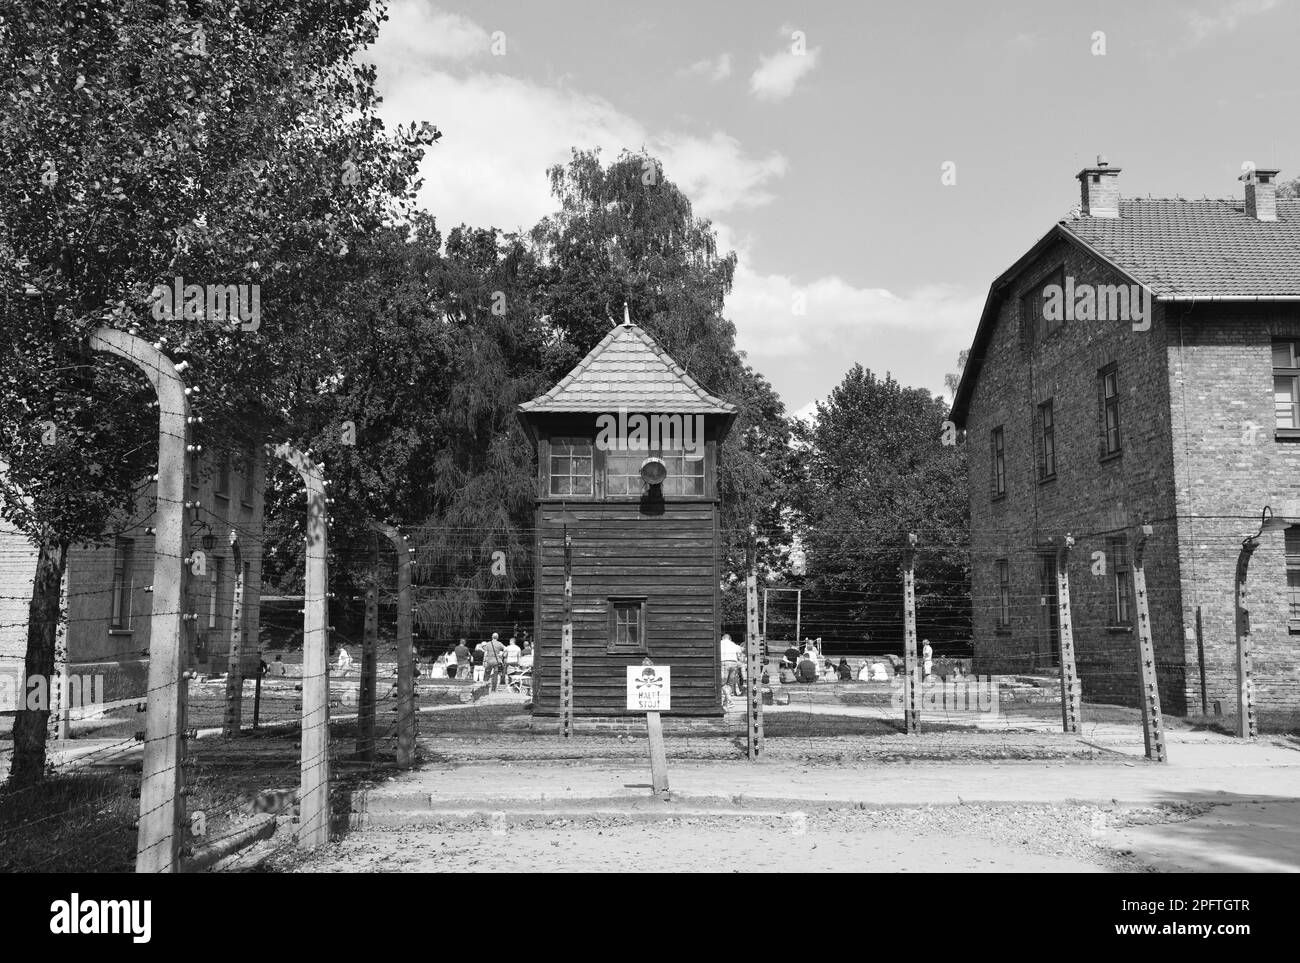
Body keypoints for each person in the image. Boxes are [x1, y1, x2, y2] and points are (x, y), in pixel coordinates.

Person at [719, 633, 743, 699]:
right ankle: (726, 701)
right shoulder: (733, 644)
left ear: (722, 638)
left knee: (722, 683)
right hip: (733, 662)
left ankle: (729, 699)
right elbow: (740, 650)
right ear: (730, 639)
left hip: (724, 662)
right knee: (730, 683)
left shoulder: (720, 643)